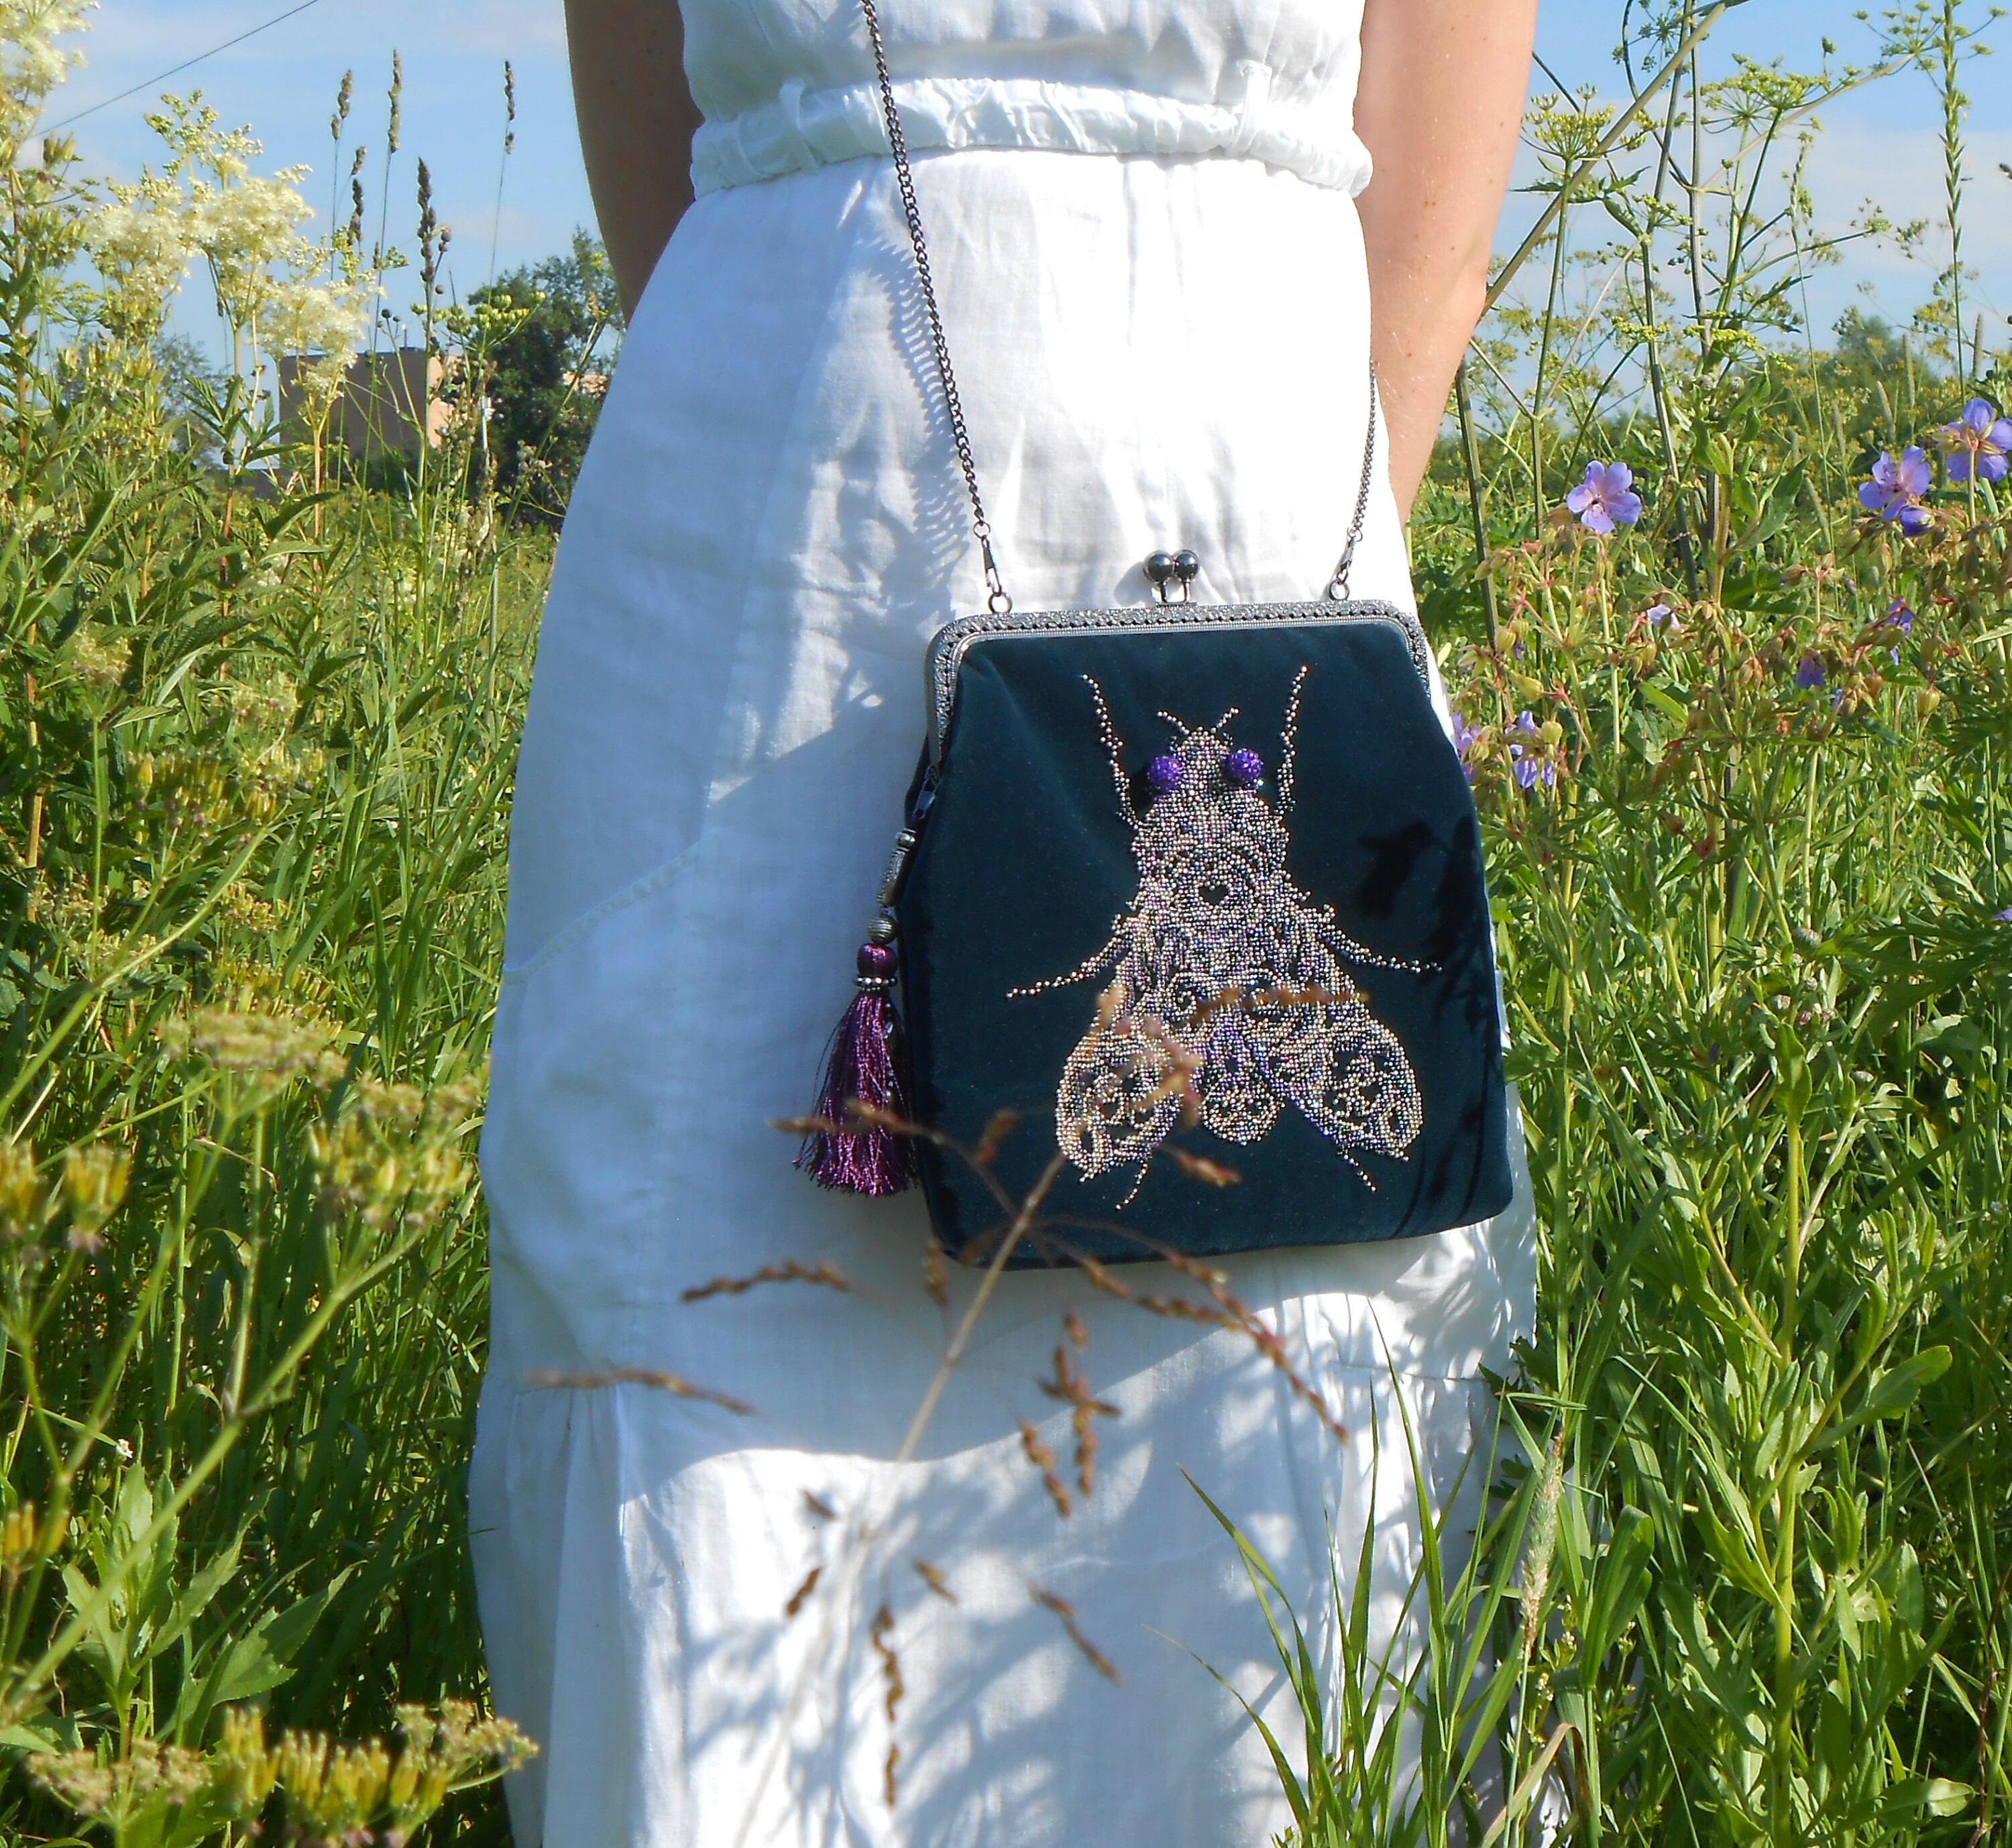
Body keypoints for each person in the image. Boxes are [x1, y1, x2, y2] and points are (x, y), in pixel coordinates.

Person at [467, 1, 1540, 1842]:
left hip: (1273, 508)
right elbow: (657, 105)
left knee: (1277, 1402)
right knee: (725, 1394)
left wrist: (1285, 643)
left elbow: (1431, 218)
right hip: (777, 563)